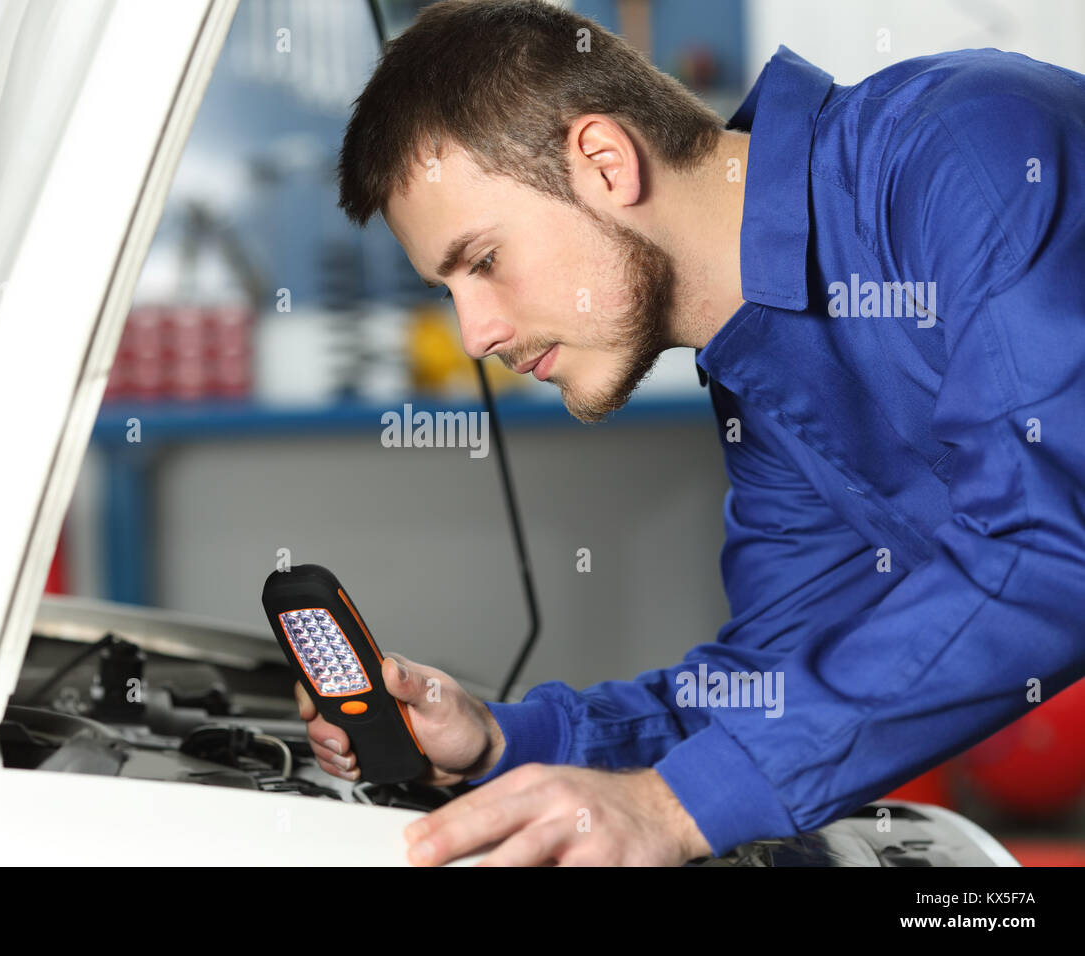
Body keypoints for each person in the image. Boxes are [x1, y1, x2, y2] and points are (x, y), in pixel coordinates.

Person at [298, 0, 1085, 865]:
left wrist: (674, 808)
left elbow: (1054, 545)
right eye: (447, 290)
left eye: (482, 262)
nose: (476, 334)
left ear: (603, 161)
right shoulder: (766, 366)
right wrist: (501, 741)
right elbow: (777, 682)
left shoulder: (967, 153)